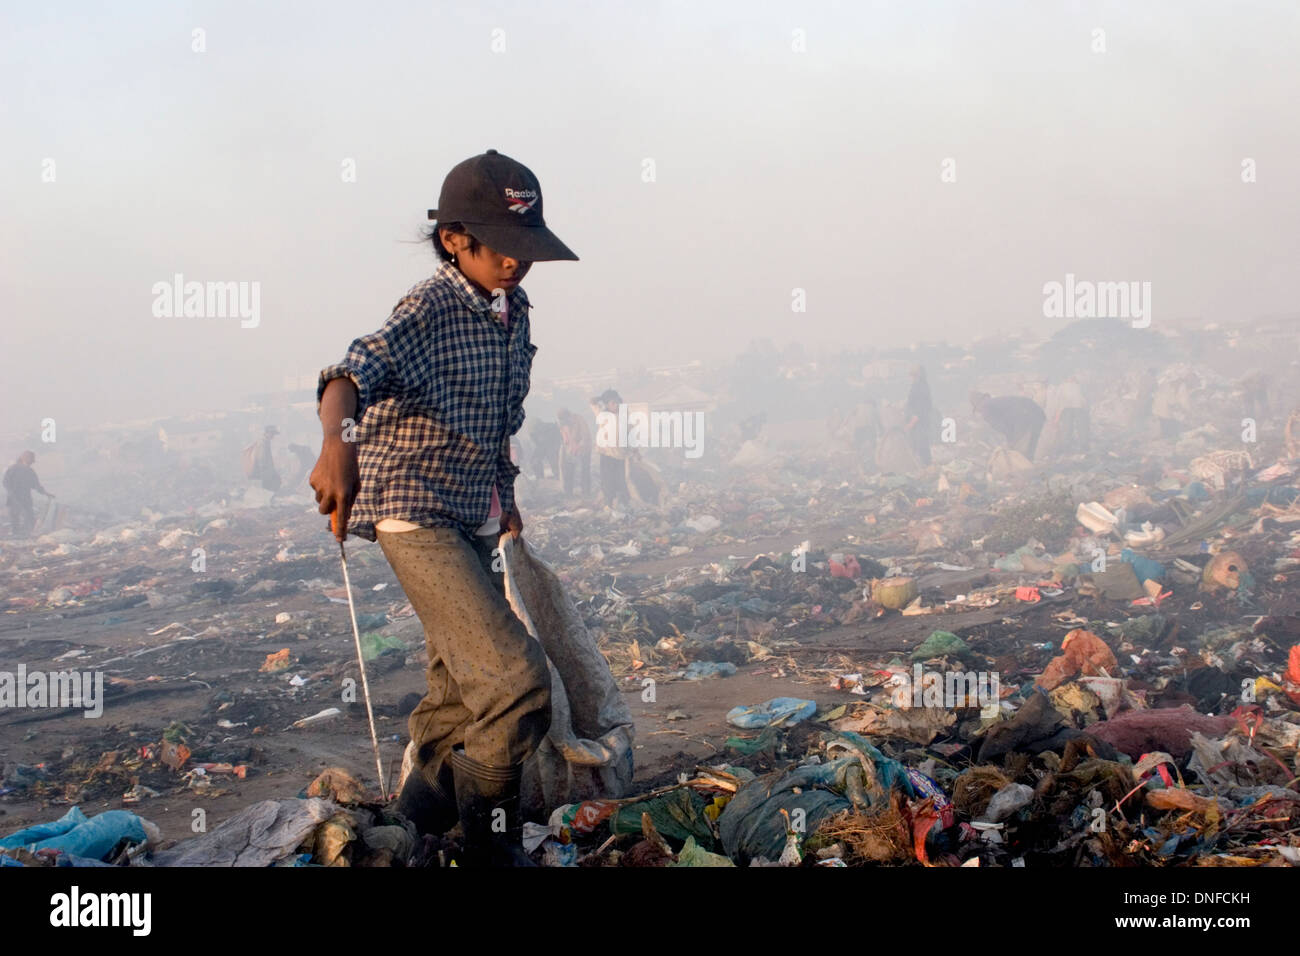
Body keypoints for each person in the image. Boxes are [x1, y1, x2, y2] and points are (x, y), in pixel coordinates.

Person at [310, 149, 577, 867]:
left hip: (472, 515)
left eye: (527, 249)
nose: (516, 264)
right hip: (414, 510)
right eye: (503, 248)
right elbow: (349, 372)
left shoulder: (513, 313)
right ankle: (490, 847)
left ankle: (410, 825)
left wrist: (508, 502)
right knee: (516, 682)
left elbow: (499, 418)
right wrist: (337, 447)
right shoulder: (429, 308)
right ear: (456, 238)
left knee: (461, 694)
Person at [970, 390, 1046, 460]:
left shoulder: (990, 407)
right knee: (1028, 448)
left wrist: (1014, 439)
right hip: (1032, 414)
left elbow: (1014, 420)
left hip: (1029, 415)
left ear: (981, 402)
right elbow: (1008, 427)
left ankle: (1029, 466)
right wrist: (1011, 440)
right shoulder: (993, 408)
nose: (979, 411)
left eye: (978, 407)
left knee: (1026, 449)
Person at [591, 389, 631, 507]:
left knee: (622, 480)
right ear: (607, 404)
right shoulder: (602, 414)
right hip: (607, 454)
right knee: (608, 481)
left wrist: (633, 450)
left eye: (617, 402)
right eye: (613, 403)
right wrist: (602, 398)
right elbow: (592, 401)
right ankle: (609, 503)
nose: (616, 405)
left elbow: (629, 434)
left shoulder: (623, 415)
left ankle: (624, 503)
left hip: (621, 455)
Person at [3, 451, 53, 538]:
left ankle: (28, 534)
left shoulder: (30, 471)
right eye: (30, 460)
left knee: (29, 516)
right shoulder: (13, 469)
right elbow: (6, 482)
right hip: (14, 498)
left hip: (25, 498)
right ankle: (16, 534)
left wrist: (46, 493)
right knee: (15, 517)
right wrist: (11, 493)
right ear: (24, 459)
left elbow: (36, 485)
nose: (31, 462)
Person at [556, 408, 592, 498]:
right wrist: (568, 445)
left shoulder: (579, 419)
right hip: (571, 449)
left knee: (585, 470)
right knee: (568, 470)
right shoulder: (561, 423)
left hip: (584, 448)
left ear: (569, 416)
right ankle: (568, 493)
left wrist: (579, 446)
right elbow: (565, 438)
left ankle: (586, 491)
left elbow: (586, 436)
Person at [903, 366, 934, 466]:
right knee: (917, 446)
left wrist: (911, 423)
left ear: (917, 376)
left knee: (921, 446)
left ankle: (927, 468)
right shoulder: (917, 386)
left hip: (920, 423)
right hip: (917, 423)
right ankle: (924, 467)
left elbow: (921, 409)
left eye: (912, 375)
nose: (910, 378)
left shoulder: (920, 387)